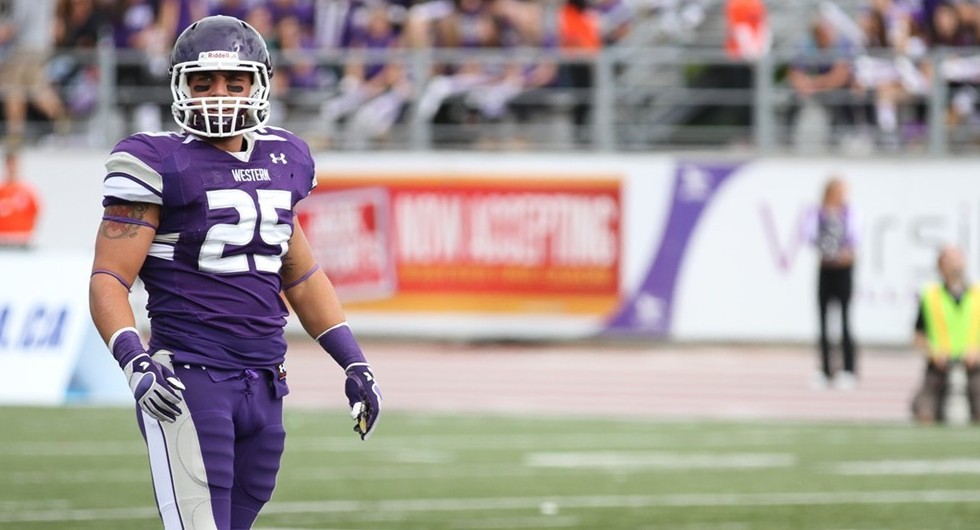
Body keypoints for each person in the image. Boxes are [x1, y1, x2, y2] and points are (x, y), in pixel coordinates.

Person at [87, 15, 382, 529]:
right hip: (188, 379)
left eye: (233, 82)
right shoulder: (157, 161)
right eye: (204, 83)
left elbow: (302, 274)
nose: (219, 95)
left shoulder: (284, 156)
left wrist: (354, 363)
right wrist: (133, 359)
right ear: (182, 87)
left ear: (259, 84)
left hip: (266, 383)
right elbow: (109, 278)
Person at [910, 245, 980, 425]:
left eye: (958, 259)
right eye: (949, 261)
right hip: (939, 365)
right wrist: (933, 353)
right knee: (924, 413)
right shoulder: (931, 295)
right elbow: (918, 336)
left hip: (974, 364)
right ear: (940, 266)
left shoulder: (977, 295)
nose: (955, 266)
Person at [803, 176, 859, 390]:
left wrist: (845, 253)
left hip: (843, 270)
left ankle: (848, 369)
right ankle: (826, 369)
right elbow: (809, 236)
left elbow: (855, 237)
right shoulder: (817, 213)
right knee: (824, 320)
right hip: (826, 268)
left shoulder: (850, 213)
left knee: (845, 319)